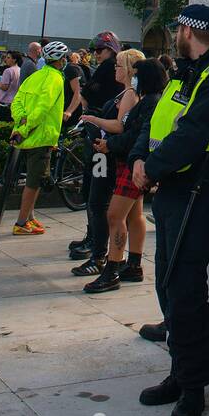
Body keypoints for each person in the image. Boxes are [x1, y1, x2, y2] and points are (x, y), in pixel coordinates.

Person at [130, 6, 209, 416]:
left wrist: (153, 167)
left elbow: (195, 134)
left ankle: (195, 386)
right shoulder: (184, 74)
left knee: (186, 285)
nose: (176, 34)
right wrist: (141, 157)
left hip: (200, 188)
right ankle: (180, 371)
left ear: (192, 31)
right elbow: (157, 121)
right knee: (167, 278)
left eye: (180, 28)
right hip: (170, 188)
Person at [83, 58, 167, 295]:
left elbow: (134, 133)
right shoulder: (151, 100)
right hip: (131, 162)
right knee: (133, 214)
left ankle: (112, 270)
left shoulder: (149, 101)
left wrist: (110, 144)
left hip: (132, 164)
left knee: (114, 215)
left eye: (137, 73)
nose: (132, 76)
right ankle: (133, 264)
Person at [69, 31, 122, 264]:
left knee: (97, 196)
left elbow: (87, 95)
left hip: (101, 139)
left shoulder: (108, 69)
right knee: (94, 194)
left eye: (99, 50)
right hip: (102, 137)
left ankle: (96, 245)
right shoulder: (114, 72)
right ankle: (93, 240)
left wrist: (90, 114)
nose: (95, 55)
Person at [9, 41, 69, 235]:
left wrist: (20, 122)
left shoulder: (36, 75)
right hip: (42, 136)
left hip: (27, 136)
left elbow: (17, 100)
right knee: (33, 183)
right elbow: (42, 109)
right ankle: (21, 222)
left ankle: (30, 217)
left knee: (33, 180)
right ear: (60, 60)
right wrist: (25, 128)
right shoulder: (56, 79)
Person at [0, 50, 22, 122]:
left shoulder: (8, 71)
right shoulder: (20, 70)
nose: (6, 59)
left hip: (4, 101)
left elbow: (5, 87)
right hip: (15, 102)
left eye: (8, 57)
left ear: (14, 59)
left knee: (0, 124)